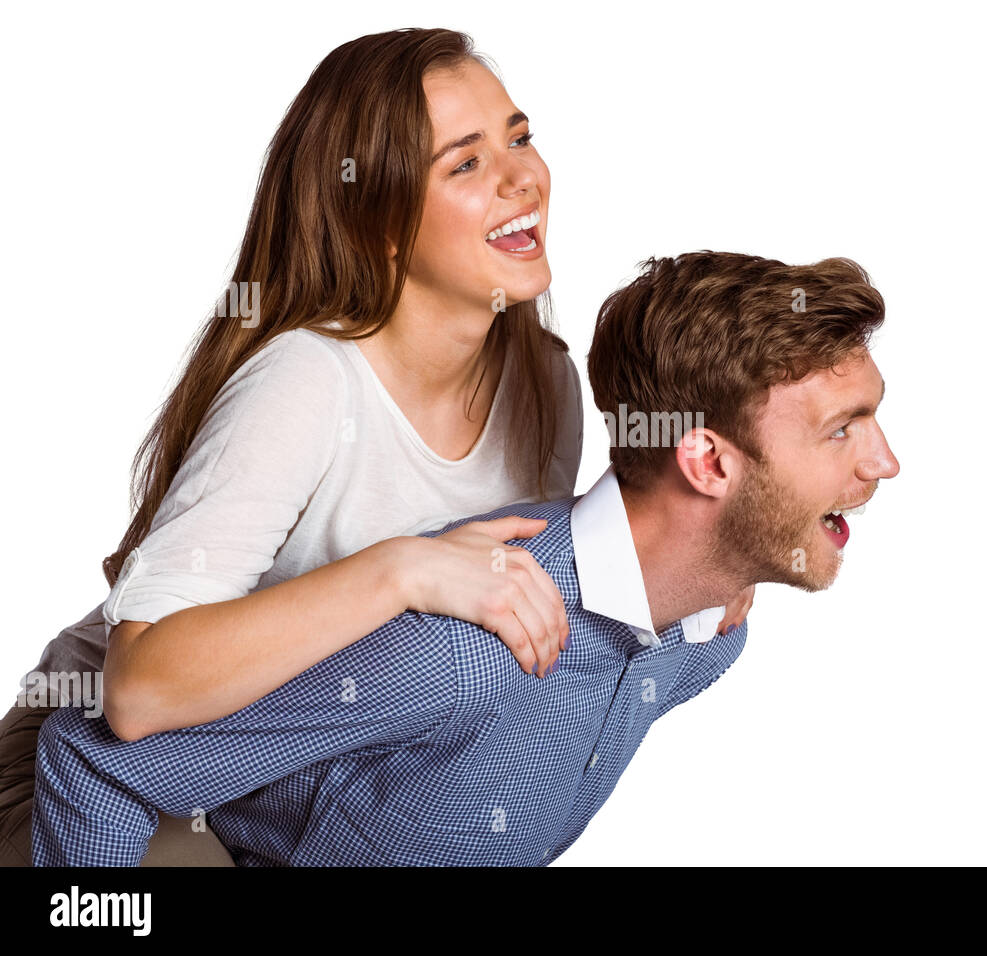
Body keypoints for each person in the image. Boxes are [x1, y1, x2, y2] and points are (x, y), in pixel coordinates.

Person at [0, 28, 755, 867]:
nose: (521, 178)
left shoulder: (542, 381)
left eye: (519, 137)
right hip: (99, 777)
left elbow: (516, 628)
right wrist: (402, 571)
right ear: (378, 221)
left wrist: (692, 566)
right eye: (464, 164)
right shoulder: (306, 386)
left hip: (284, 774)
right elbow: (135, 697)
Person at [31, 250, 899, 866]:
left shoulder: (707, 640)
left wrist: (716, 585)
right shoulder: (460, 650)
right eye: (841, 431)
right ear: (707, 461)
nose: (883, 462)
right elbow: (95, 759)